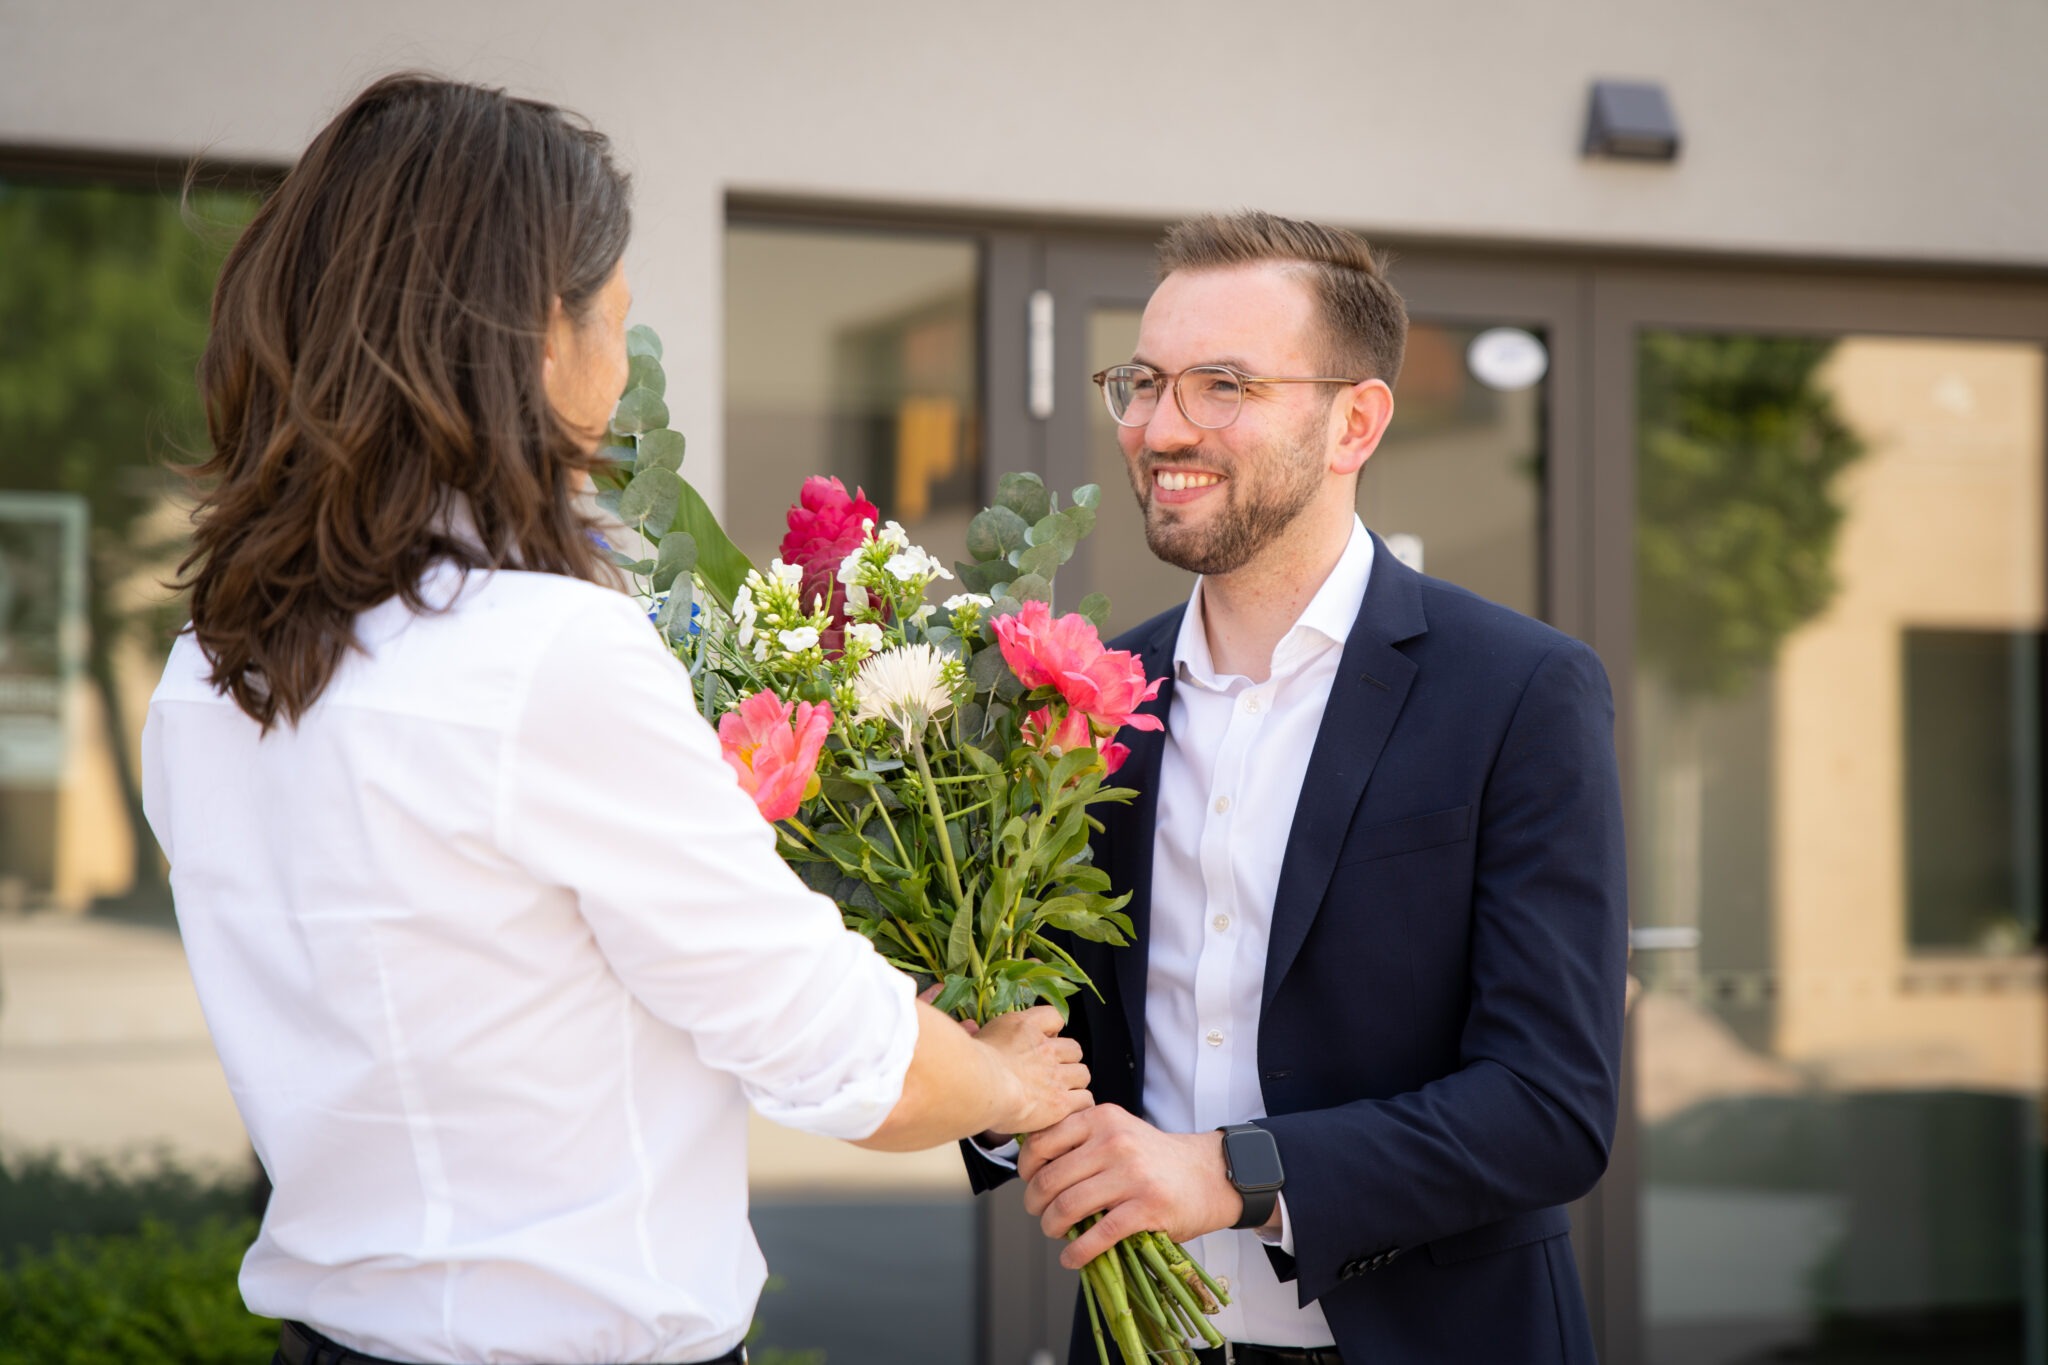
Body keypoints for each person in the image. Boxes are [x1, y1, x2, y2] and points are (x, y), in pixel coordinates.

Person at [142, 74, 1090, 1365]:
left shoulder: (206, 670)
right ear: (538, 336)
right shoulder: (545, 653)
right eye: (615, 320)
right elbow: (827, 1048)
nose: (620, 368)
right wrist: (1006, 1076)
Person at [966, 211, 1627, 1364]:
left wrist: (1230, 1174)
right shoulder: (1082, 704)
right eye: (1143, 381)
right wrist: (976, 1064)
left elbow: (1549, 1108)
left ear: (1353, 421)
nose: (1162, 427)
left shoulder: (1519, 690)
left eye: (1221, 384)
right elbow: (1055, 1040)